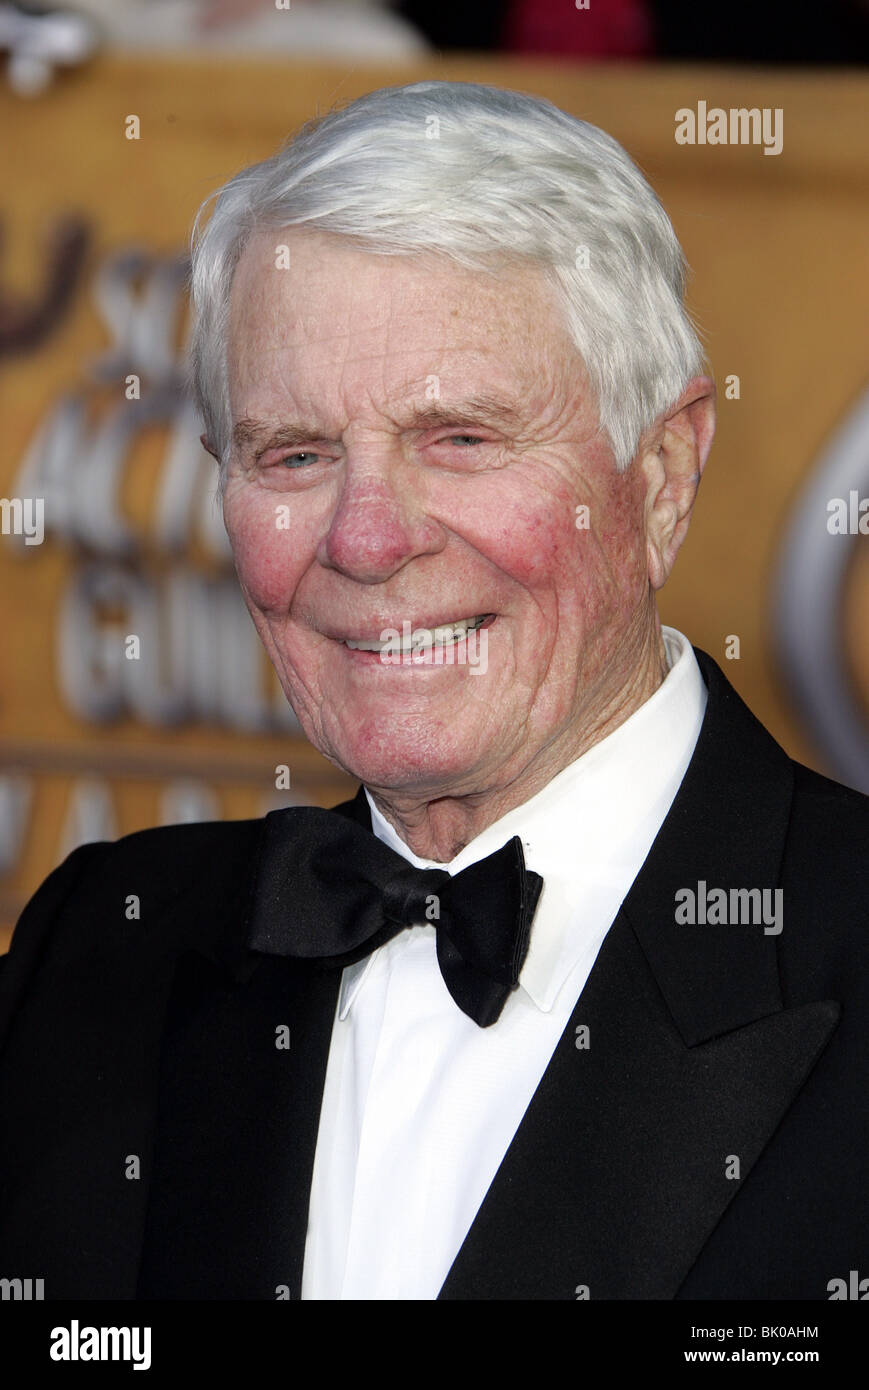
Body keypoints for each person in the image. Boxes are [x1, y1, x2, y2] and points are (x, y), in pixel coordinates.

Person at [0, 81, 866, 1301]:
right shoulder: (95, 950)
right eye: (293, 454)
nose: (363, 539)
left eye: (459, 438)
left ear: (661, 474)